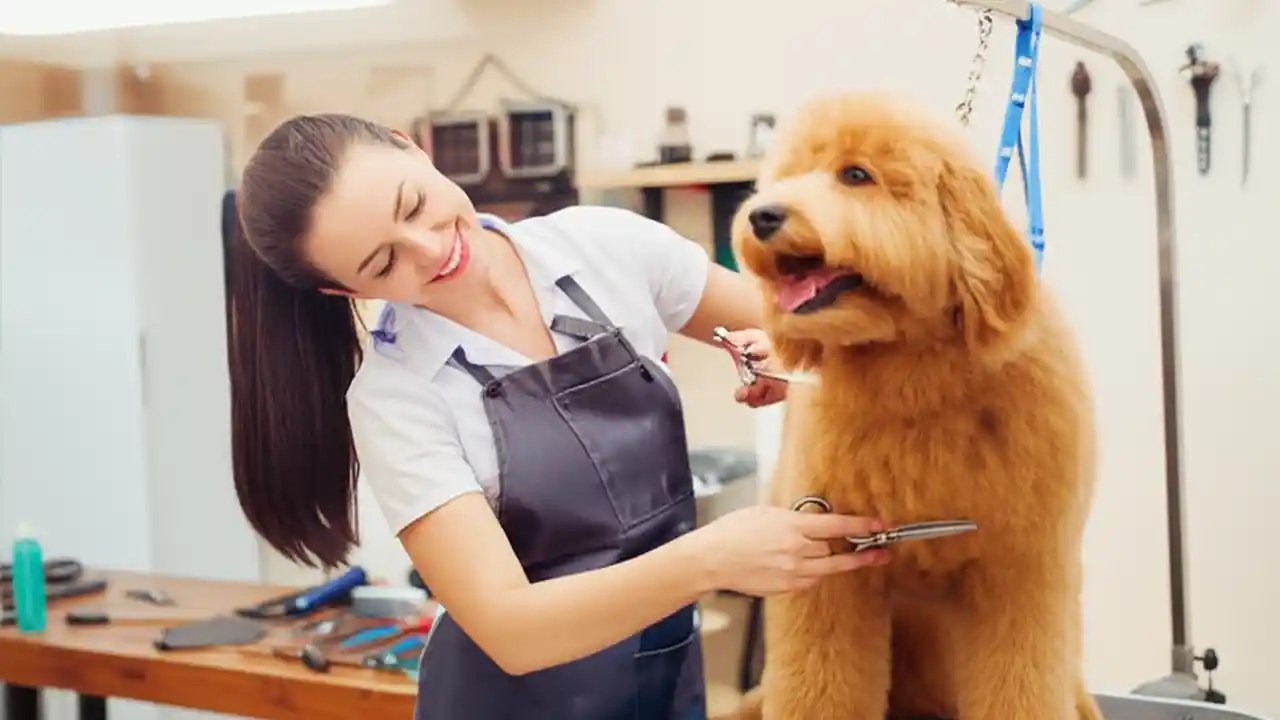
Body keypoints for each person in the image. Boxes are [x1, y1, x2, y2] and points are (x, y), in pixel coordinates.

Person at [227, 113, 890, 719]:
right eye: (384, 262)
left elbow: (824, 341)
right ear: (346, 290)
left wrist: (792, 355)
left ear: (411, 146)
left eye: (415, 205)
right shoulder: (395, 399)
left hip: (662, 686)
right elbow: (512, 630)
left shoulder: (602, 246)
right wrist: (709, 560)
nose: (429, 250)